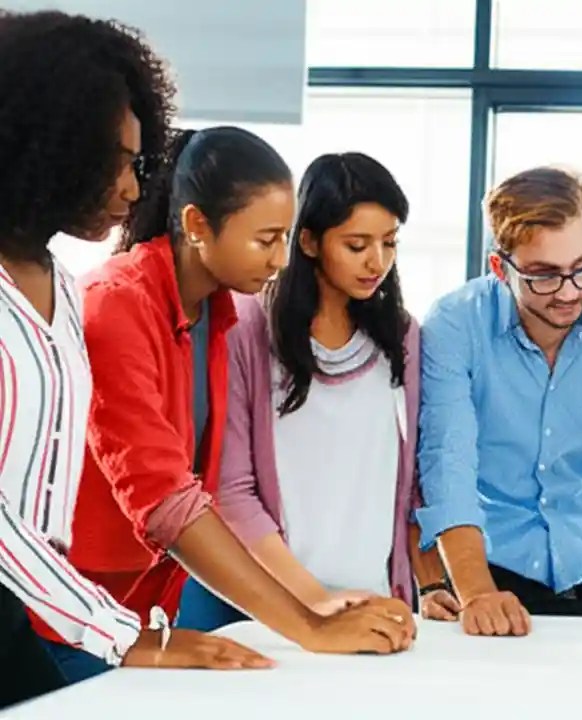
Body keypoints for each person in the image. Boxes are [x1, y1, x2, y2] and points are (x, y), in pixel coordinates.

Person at [38, 126, 415, 683]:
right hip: (64, 615)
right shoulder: (116, 305)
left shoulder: (219, 313)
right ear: (197, 226)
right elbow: (162, 496)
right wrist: (310, 625)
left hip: (138, 606)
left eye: (285, 238)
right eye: (265, 240)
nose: (281, 259)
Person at [0, 10, 273, 708]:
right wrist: (124, 635)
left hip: (35, 620)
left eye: (137, 164)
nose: (131, 188)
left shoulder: (62, 288)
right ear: (47, 142)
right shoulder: (109, 298)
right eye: (117, 162)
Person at [176, 152, 438, 630]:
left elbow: (412, 486)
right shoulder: (246, 326)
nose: (377, 262)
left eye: (389, 242)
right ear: (310, 241)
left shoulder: (402, 336)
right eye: (357, 245)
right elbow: (231, 491)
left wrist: (430, 585)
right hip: (268, 605)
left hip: (376, 601)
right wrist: (317, 601)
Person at [416, 166, 582, 636]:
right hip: (487, 570)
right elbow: (448, 465)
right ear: (500, 268)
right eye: (544, 276)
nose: (570, 292)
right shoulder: (453, 325)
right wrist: (477, 593)